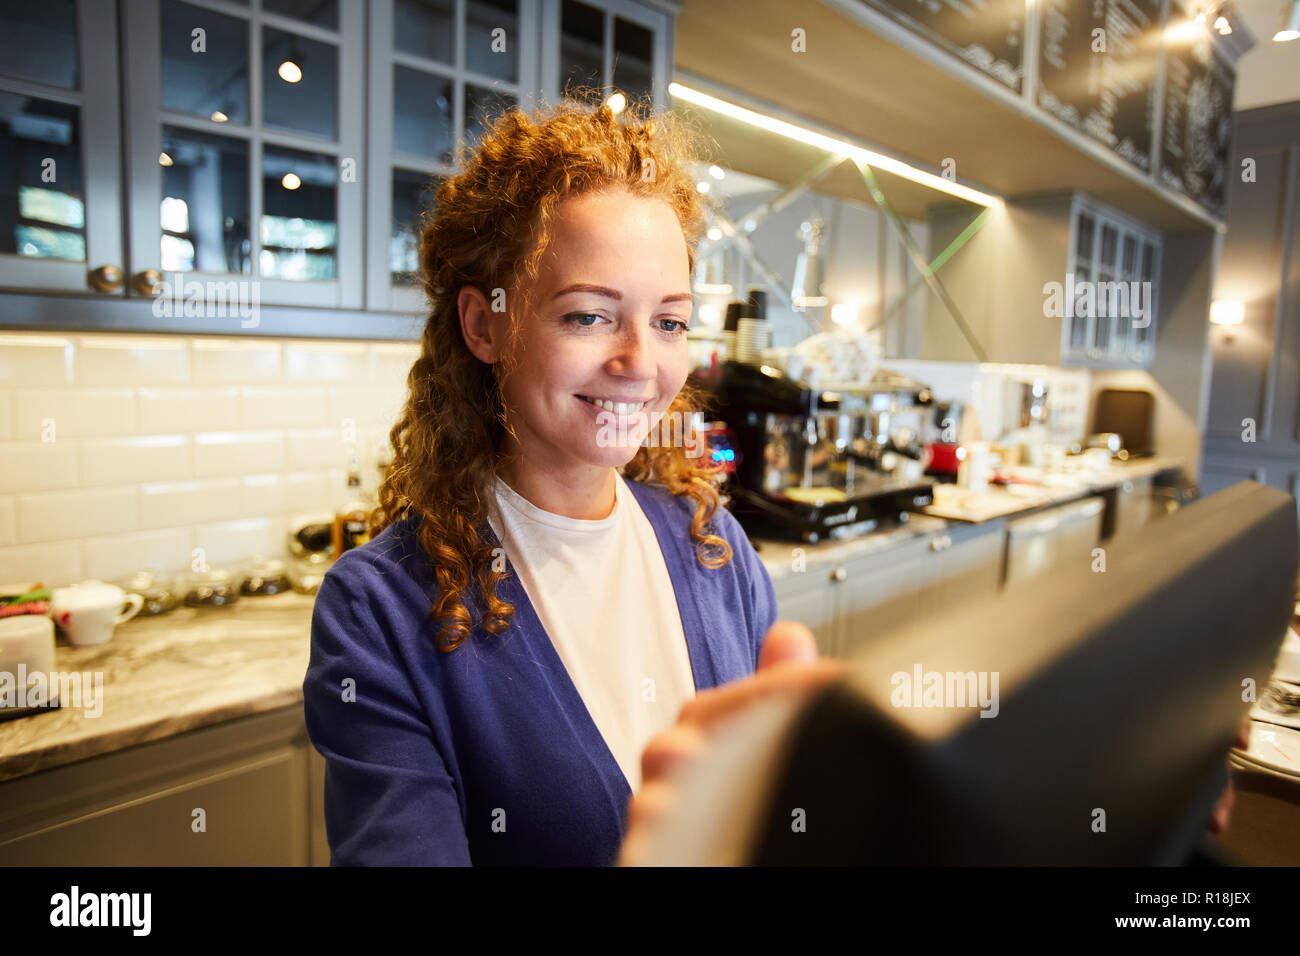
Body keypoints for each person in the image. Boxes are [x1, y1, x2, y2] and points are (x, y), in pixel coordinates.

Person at [301, 95, 838, 866]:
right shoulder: (382, 610)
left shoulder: (712, 544)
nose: (640, 364)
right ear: (484, 325)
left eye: (670, 321)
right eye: (589, 316)